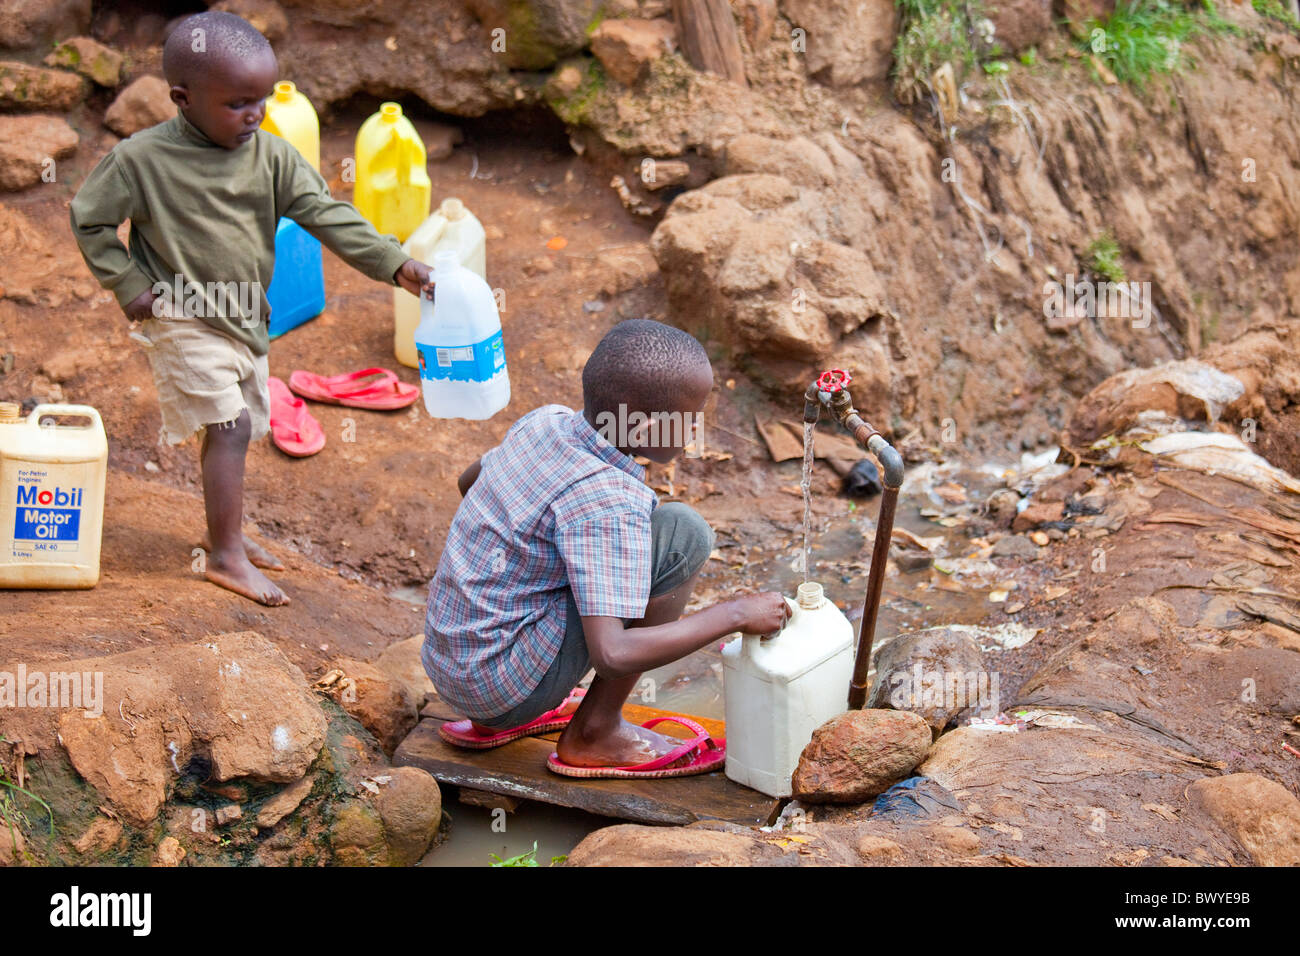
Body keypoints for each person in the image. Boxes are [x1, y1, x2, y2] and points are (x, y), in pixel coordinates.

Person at [69, 11, 436, 606]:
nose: (256, 114)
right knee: (230, 425)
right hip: (179, 312)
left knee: (243, 421)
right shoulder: (141, 161)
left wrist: (395, 264)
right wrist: (128, 282)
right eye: (238, 102)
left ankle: (227, 535)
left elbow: (326, 214)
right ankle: (225, 555)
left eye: (262, 99)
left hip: (244, 316)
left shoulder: (271, 157)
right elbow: (88, 217)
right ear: (183, 99)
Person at [422, 319, 790, 777]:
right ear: (649, 427)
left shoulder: (545, 421)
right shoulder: (610, 500)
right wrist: (734, 615)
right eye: (692, 418)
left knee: (584, 563)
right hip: (501, 691)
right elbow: (612, 653)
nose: (696, 430)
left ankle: (508, 705)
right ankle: (595, 731)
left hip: (450, 663)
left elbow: (469, 482)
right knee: (683, 533)